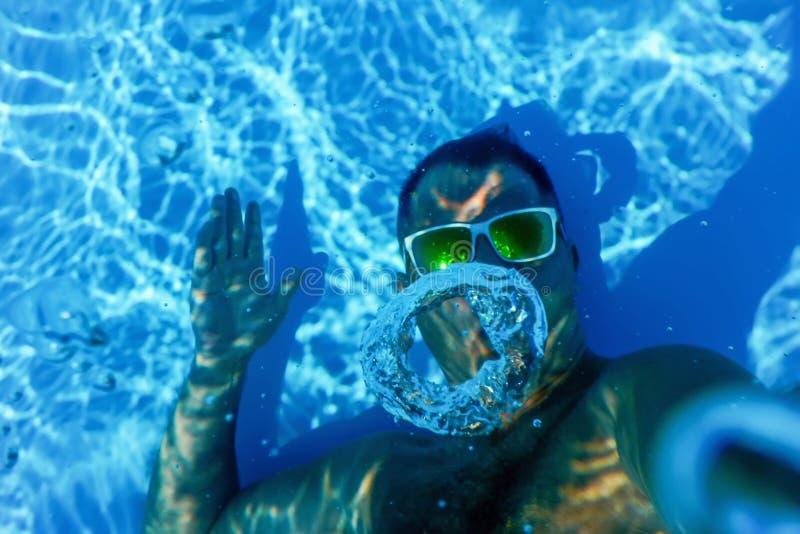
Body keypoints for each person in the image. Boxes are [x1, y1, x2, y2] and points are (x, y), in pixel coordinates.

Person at [144, 128, 800, 533]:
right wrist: (217, 370)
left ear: (568, 263)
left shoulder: (635, 398)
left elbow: (730, 462)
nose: (485, 265)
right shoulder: (372, 481)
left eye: (517, 233)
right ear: (409, 295)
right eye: (445, 252)